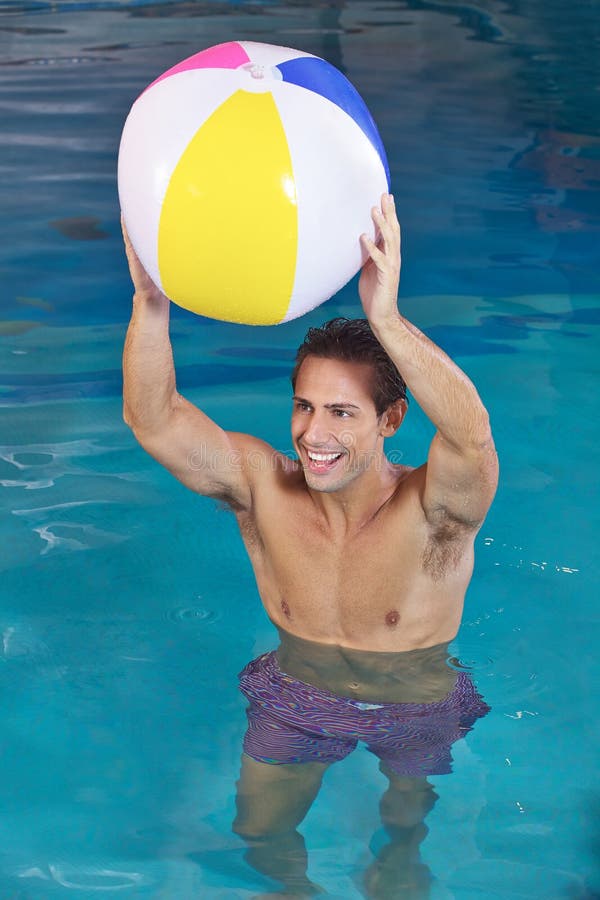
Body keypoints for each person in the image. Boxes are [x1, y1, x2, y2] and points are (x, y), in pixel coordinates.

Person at [122, 193, 498, 898]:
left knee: (404, 824)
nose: (314, 434)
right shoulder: (261, 487)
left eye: (341, 412)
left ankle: (401, 852)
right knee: (259, 834)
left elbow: (470, 436)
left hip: (415, 704)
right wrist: (150, 303)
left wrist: (387, 319)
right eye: (304, 406)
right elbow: (155, 422)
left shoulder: (435, 512)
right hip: (297, 693)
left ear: (390, 420)